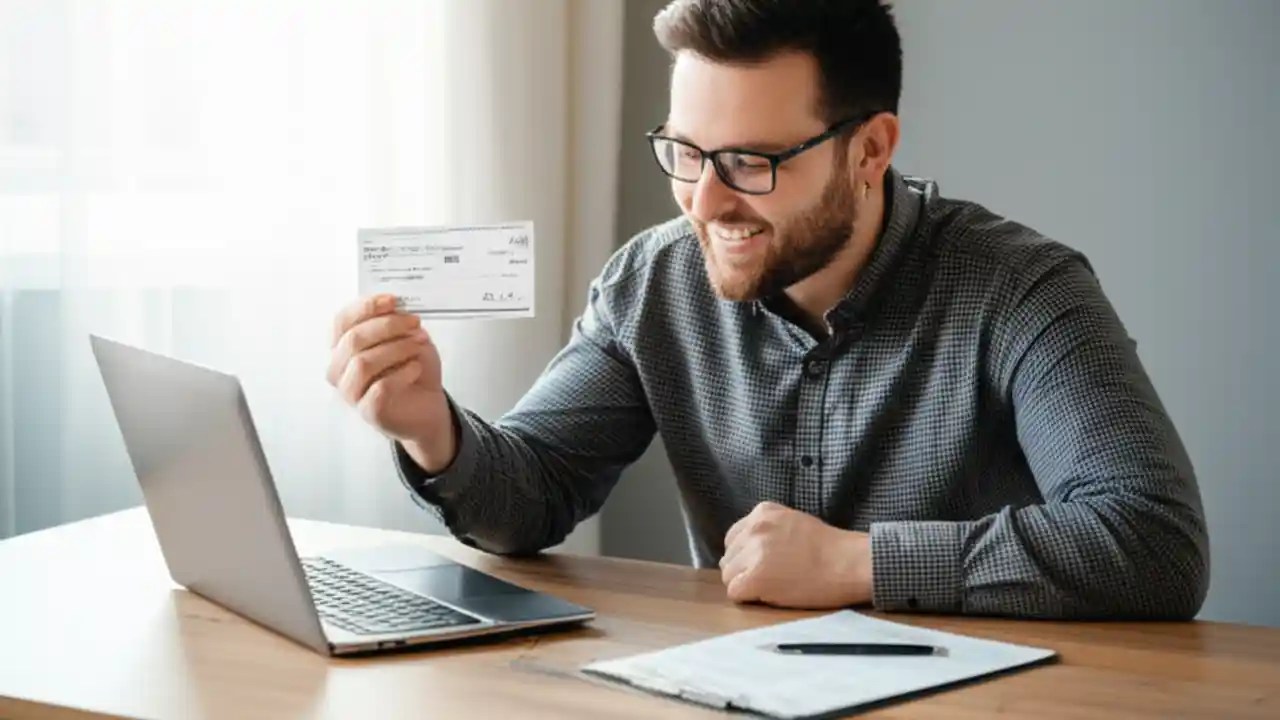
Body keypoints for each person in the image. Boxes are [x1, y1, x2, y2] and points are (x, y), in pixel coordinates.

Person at [326, 0, 1208, 620]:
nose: (704, 203)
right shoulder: (652, 284)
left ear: (870, 149)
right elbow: (531, 500)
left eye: (750, 161)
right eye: (684, 152)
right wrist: (430, 429)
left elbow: (1154, 543)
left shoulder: (1021, 291)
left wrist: (855, 564)